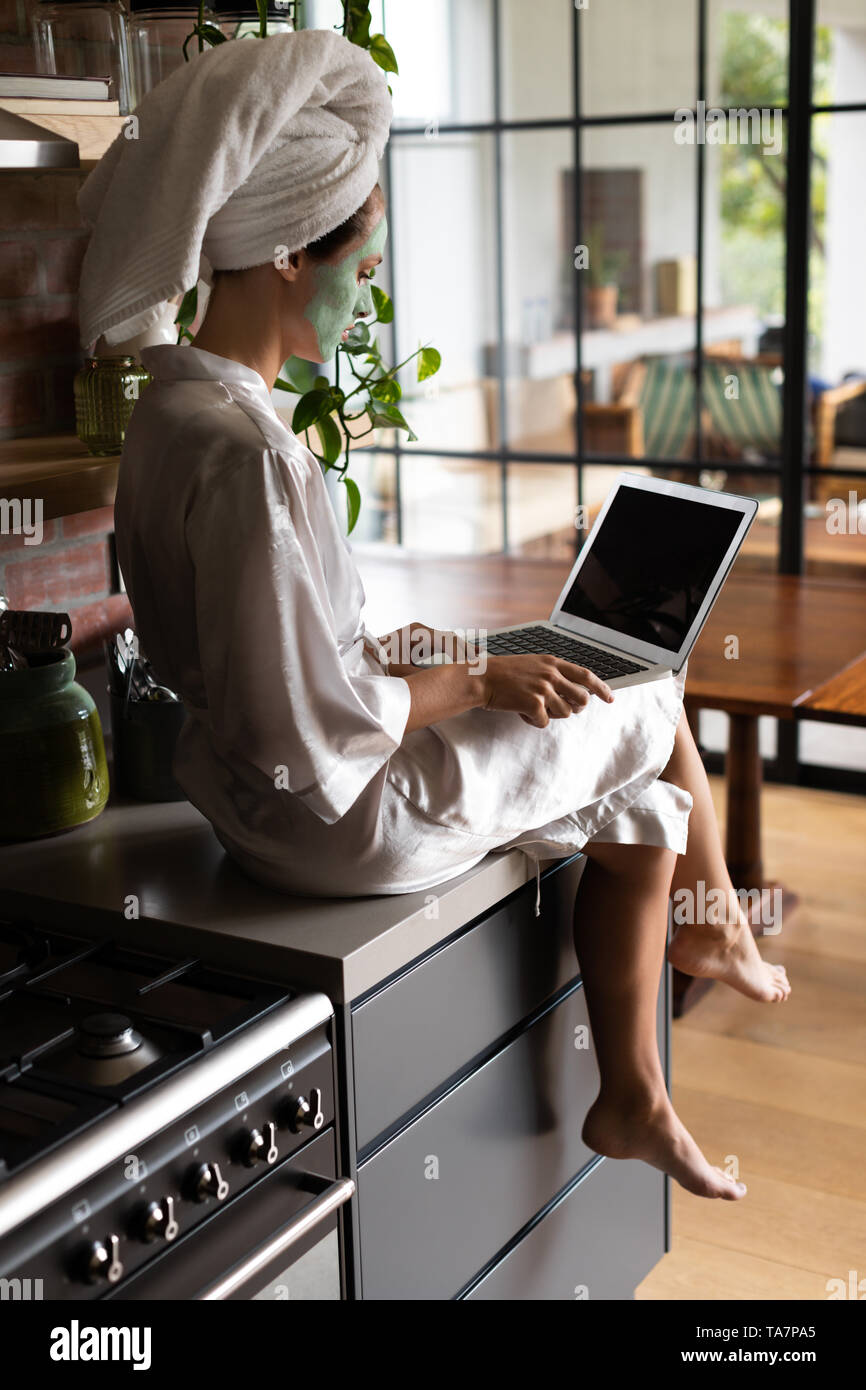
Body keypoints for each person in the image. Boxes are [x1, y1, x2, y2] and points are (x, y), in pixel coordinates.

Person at [78, 29, 789, 1205]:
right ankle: (709, 928)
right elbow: (306, 724)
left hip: (251, 807)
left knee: (635, 785)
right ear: (292, 256)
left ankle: (634, 1092)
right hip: (339, 823)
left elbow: (279, 656)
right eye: (366, 259)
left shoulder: (173, 412)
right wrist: (477, 682)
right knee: (651, 691)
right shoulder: (254, 454)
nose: (376, 291)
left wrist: (443, 655)